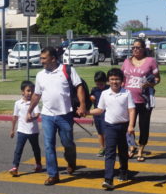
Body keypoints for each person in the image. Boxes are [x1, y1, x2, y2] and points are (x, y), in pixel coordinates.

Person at [26, 46, 87, 186]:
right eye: (41, 58)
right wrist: (30, 110)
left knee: (68, 143)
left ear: (53, 58)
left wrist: (82, 105)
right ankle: (53, 175)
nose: (41, 61)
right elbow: (37, 95)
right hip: (47, 115)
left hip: (65, 115)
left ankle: (71, 160)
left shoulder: (67, 70)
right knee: (48, 146)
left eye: (44, 58)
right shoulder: (40, 75)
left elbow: (79, 86)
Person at [91, 68, 136, 190]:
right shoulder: (105, 94)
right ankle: (108, 179)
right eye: (111, 79)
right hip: (110, 127)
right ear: (108, 81)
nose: (114, 81)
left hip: (124, 126)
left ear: (122, 81)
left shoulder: (126, 93)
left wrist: (131, 126)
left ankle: (123, 171)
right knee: (110, 153)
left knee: (122, 152)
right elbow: (100, 110)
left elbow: (131, 110)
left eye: (117, 79)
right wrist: (87, 112)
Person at [121, 38, 160, 162]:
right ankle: (131, 146)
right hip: (128, 101)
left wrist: (149, 85)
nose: (135, 50)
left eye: (138, 47)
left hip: (144, 101)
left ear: (144, 49)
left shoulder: (150, 61)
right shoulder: (126, 61)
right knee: (128, 125)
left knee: (143, 126)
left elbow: (158, 79)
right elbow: (122, 79)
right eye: (133, 47)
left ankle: (141, 149)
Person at [8, 81, 43, 177]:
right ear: (22, 92)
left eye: (32, 91)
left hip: (33, 131)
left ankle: (38, 164)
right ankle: (15, 167)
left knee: (35, 148)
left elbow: (37, 114)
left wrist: (33, 118)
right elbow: (15, 117)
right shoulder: (18, 103)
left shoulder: (34, 103)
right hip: (21, 131)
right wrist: (12, 130)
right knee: (18, 149)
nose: (30, 93)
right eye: (28, 91)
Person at [89, 71, 108, 156]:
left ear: (105, 81)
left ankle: (108, 148)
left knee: (107, 133)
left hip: (107, 114)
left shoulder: (109, 89)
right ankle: (101, 148)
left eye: (101, 84)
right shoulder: (94, 90)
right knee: (100, 132)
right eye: (98, 84)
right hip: (97, 115)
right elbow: (91, 98)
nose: (99, 86)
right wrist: (91, 98)